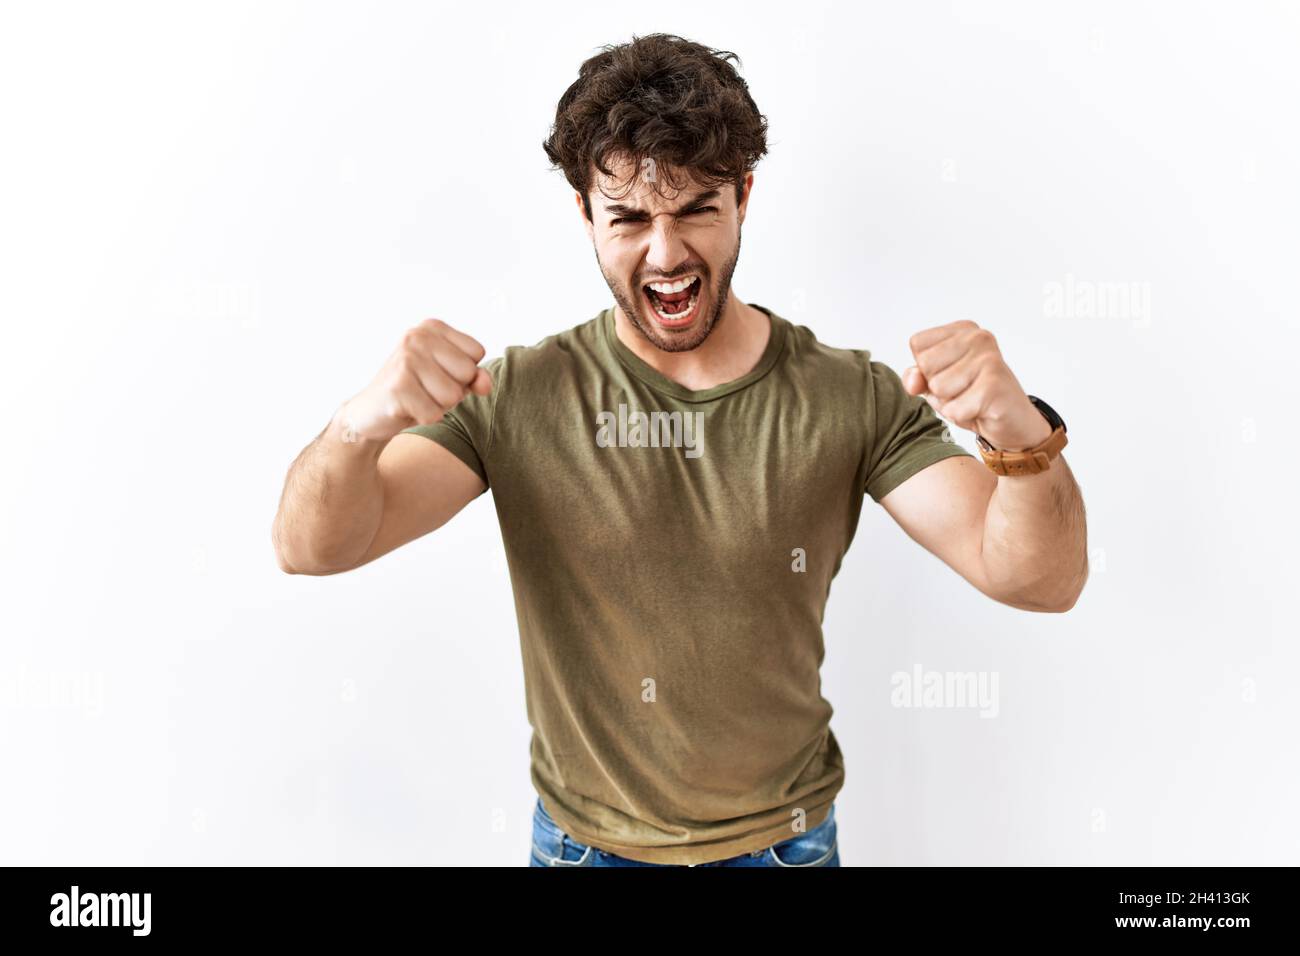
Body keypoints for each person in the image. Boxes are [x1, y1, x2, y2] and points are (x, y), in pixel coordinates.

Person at [271, 33, 1088, 867]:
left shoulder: (849, 395)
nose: (665, 254)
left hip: (786, 847)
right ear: (584, 213)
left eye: (697, 208)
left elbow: (1038, 580)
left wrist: (1022, 439)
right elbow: (311, 549)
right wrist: (357, 425)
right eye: (628, 218)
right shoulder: (513, 397)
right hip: (580, 850)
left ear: (743, 196)